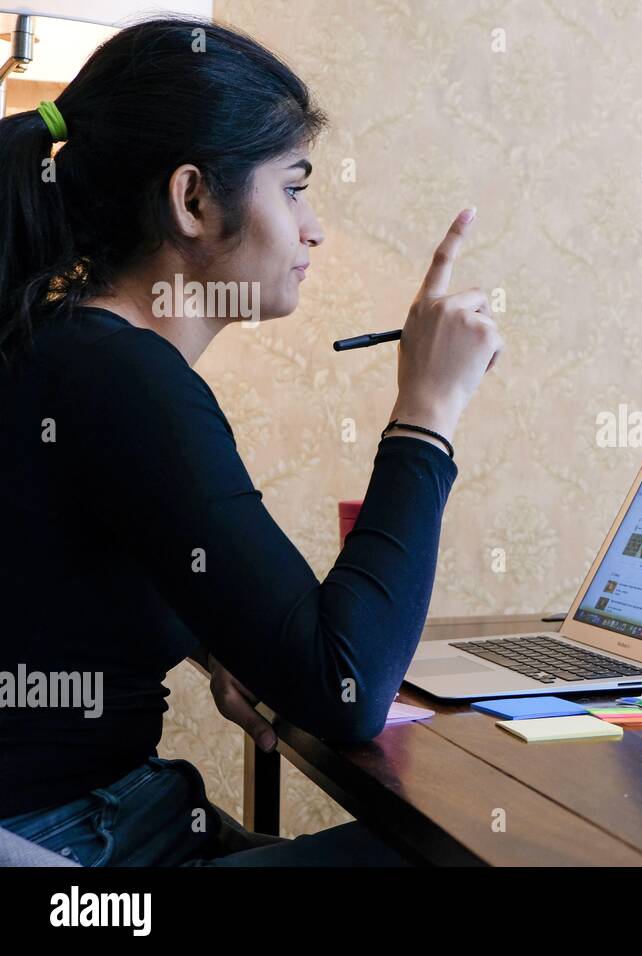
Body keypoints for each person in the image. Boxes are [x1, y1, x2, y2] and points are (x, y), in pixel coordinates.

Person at [0, 18, 502, 864]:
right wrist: (427, 409)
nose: (313, 230)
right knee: (483, 853)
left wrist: (226, 633)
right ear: (192, 200)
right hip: (79, 850)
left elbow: (60, 583)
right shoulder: (122, 378)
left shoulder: (64, 347)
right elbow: (345, 686)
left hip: (106, 819)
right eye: (294, 188)